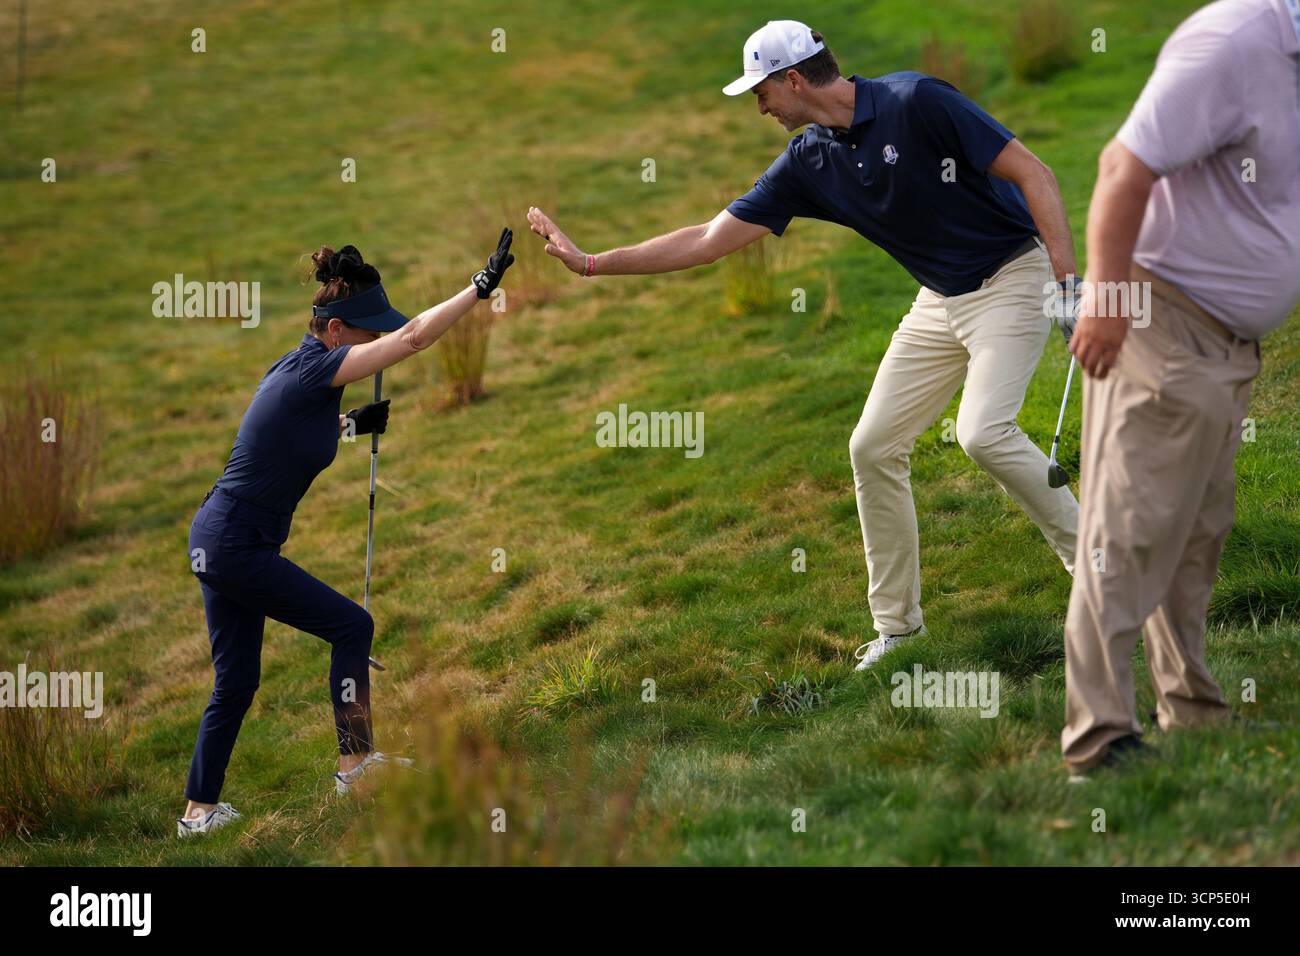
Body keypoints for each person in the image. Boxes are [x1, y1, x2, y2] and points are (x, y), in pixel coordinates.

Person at [527, 20, 1080, 671]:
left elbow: (1035, 173)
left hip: (1013, 275)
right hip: (940, 299)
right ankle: (899, 631)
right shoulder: (809, 161)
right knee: (872, 447)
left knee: (982, 433)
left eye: (761, 92)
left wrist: (1068, 286)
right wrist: (591, 263)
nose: (759, 107)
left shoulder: (916, 101)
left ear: (793, 79)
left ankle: (1101, 567)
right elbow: (707, 241)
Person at [178, 234, 515, 836]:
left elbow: (288, 435)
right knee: (351, 626)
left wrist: (353, 424)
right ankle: (356, 768)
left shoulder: (296, 368)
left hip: (216, 536)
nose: (375, 343)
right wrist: (479, 288)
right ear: (333, 330)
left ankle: (197, 813)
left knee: (236, 680)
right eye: (366, 334)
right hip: (236, 544)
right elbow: (410, 340)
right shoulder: (314, 369)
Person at [1062, 0, 1300, 778]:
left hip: (1229, 346)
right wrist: (1102, 303)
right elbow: (1121, 167)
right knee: (1126, 533)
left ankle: (1190, 707)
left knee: (1195, 534)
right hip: (1162, 321)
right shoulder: (1232, 39)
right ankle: (1098, 738)